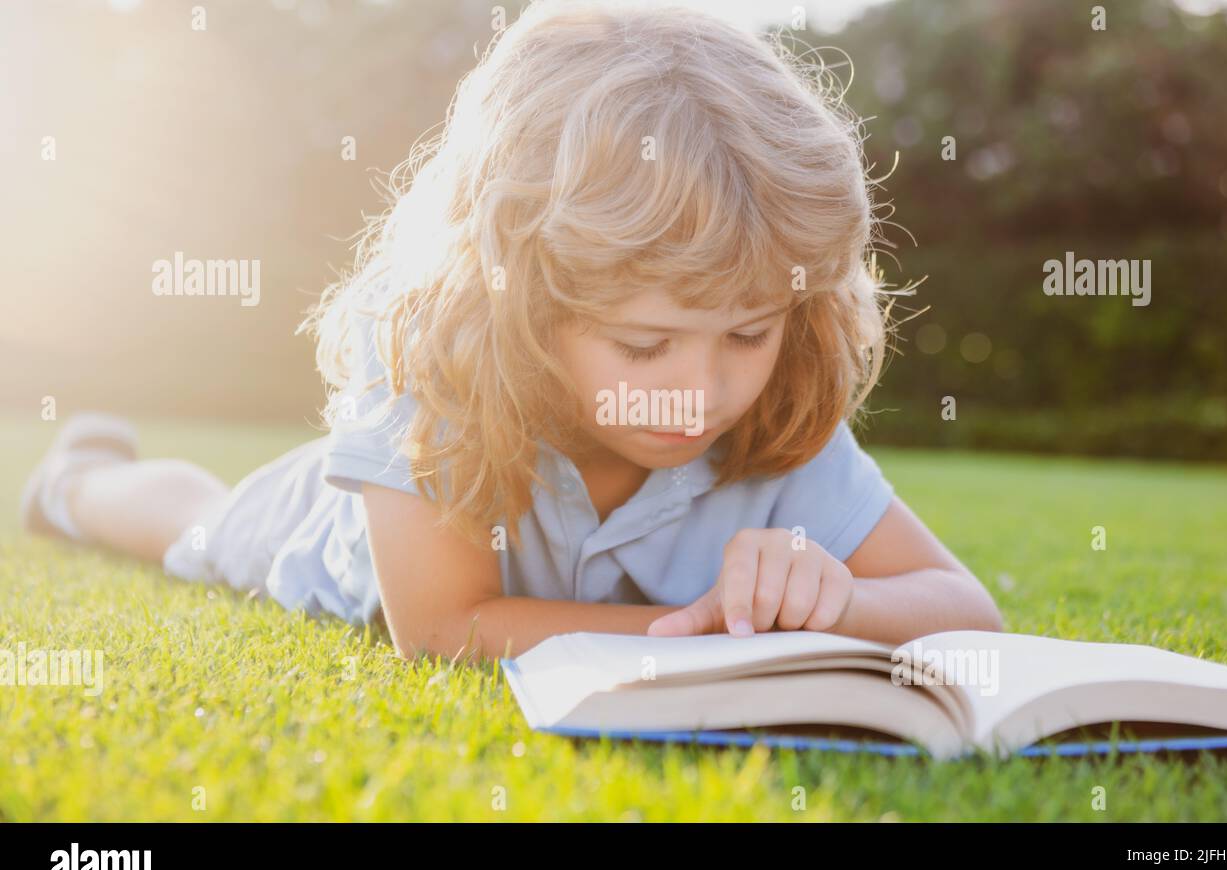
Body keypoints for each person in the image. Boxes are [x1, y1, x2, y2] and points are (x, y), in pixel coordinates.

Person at [20, 0, 1001, 662]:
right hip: (327, 537)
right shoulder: (430, 361)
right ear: (520, 301)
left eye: (747, 333)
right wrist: (707, 634)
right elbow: (448, 624)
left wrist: (840, 604)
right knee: (196, 524)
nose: (701, 394)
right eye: (645, 345)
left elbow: (964, 609)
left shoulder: (775, 410)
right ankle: (75, 480)